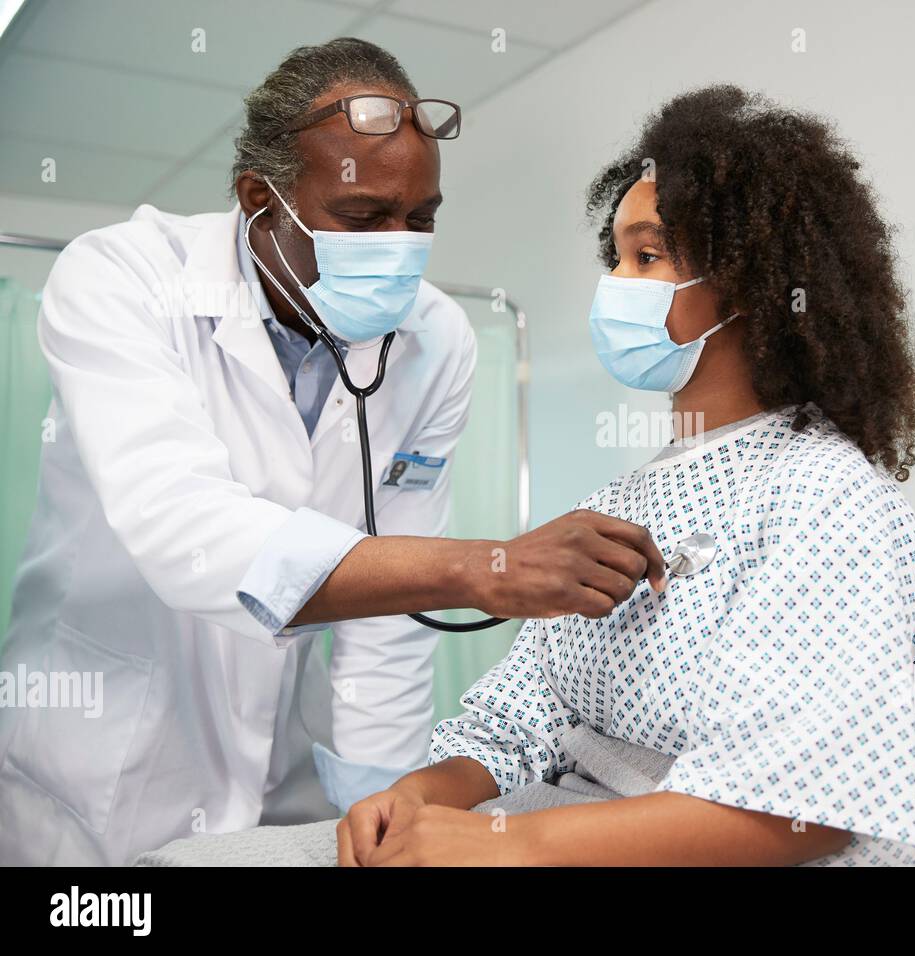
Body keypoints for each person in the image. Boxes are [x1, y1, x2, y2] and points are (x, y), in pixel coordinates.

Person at [0, 38, 664, 867]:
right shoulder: (122, 278)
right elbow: (187, 538)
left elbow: (390, 626)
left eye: (421, 219)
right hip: (92, 766)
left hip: (279, 764)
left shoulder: (437, 339)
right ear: (259, 200)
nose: (400, 245)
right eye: (361, 218)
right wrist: (484, 568)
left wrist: (378, 806)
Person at [337, 85, 915, 866]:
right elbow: (519, 720)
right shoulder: (621, 502)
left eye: (648, 255)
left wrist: (514, 845)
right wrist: (421, 794)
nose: (616, 286)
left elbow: (803, 807)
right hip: (549, 821)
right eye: (616, 258)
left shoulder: (823, 499)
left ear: (754, 281)